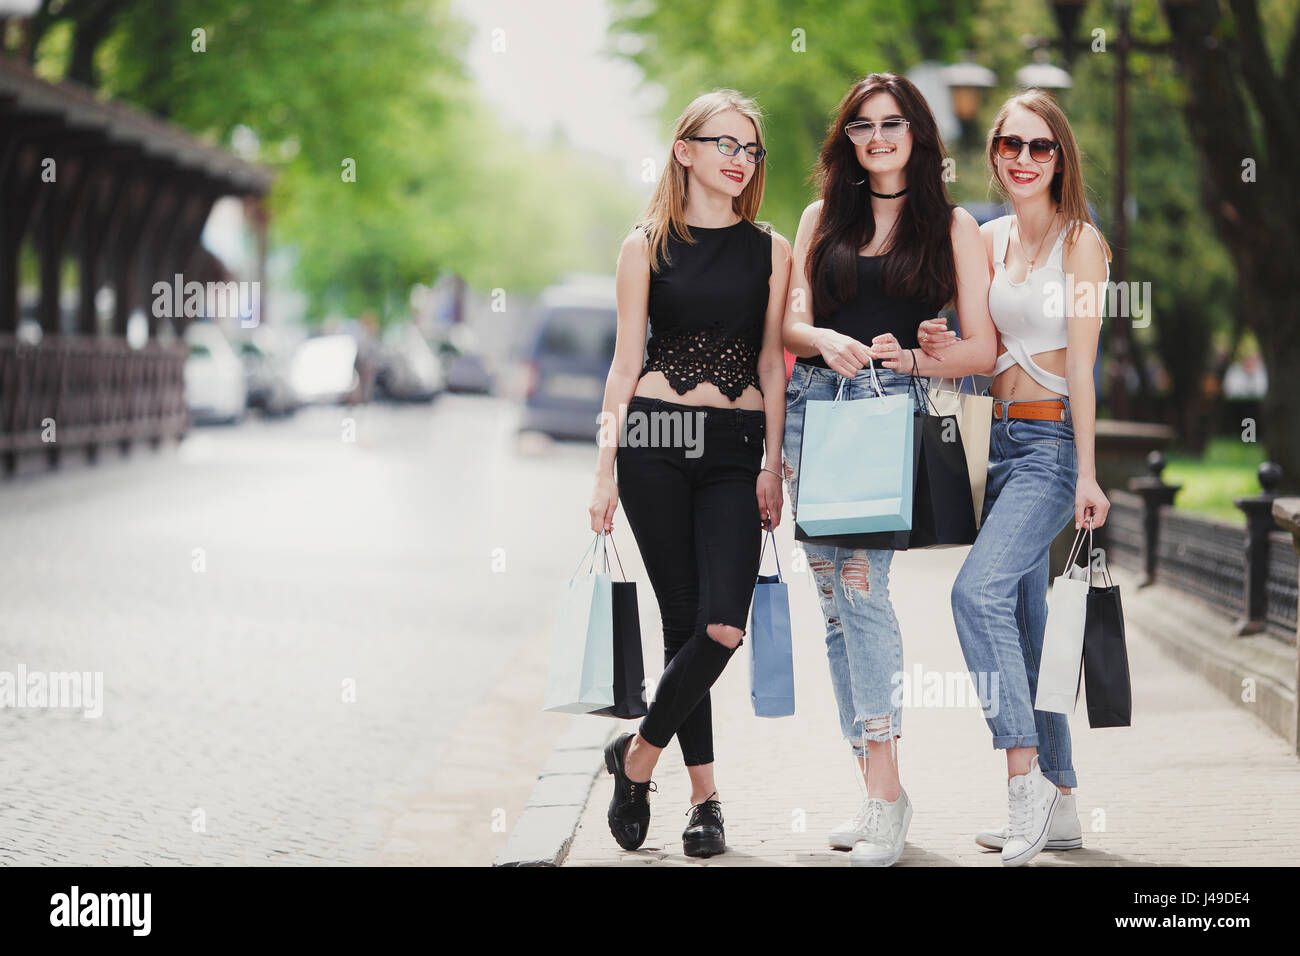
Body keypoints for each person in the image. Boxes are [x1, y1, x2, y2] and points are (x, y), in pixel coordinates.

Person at [781, 73, 996, 867]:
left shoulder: (953, 227)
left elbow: (982, 350)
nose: (877, 138)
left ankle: (884, 794)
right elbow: (790, 324)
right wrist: (820, 340)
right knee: (834, 604)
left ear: (918, 135)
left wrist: (913, 352)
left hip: (893, 415)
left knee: (865, 591)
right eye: (862, 127)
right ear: (848, 140)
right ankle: (876, 784)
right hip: (816, 413)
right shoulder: (819, 219)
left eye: (892, 124)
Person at [587, 89, 792, 857]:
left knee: (721, 625)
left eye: (750, 150)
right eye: (725, 145)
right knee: (680, 623)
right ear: (685, 150)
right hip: (654, 436)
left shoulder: (771, 249)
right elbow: (622, 366)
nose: (739, 161)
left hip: (736, 446)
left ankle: (635, 758)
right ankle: (705, 802)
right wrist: (604, 468)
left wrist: (773, 463)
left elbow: (773, 361)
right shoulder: (644, 244)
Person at [919, 89, 1112, 866]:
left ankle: (1022, 781)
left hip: (1051, 445)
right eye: (1010, 146)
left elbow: (1088, 371)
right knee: (1027, 628)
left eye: (1039, 147)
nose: (1023, 159)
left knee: (976, 593)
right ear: (994, 154)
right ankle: (1061, 800)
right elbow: (978, 348)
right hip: (990, 445)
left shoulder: (1083, 245)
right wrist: (937, 339)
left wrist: (1089, 475)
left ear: (1060, 156)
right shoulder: (989, 239)